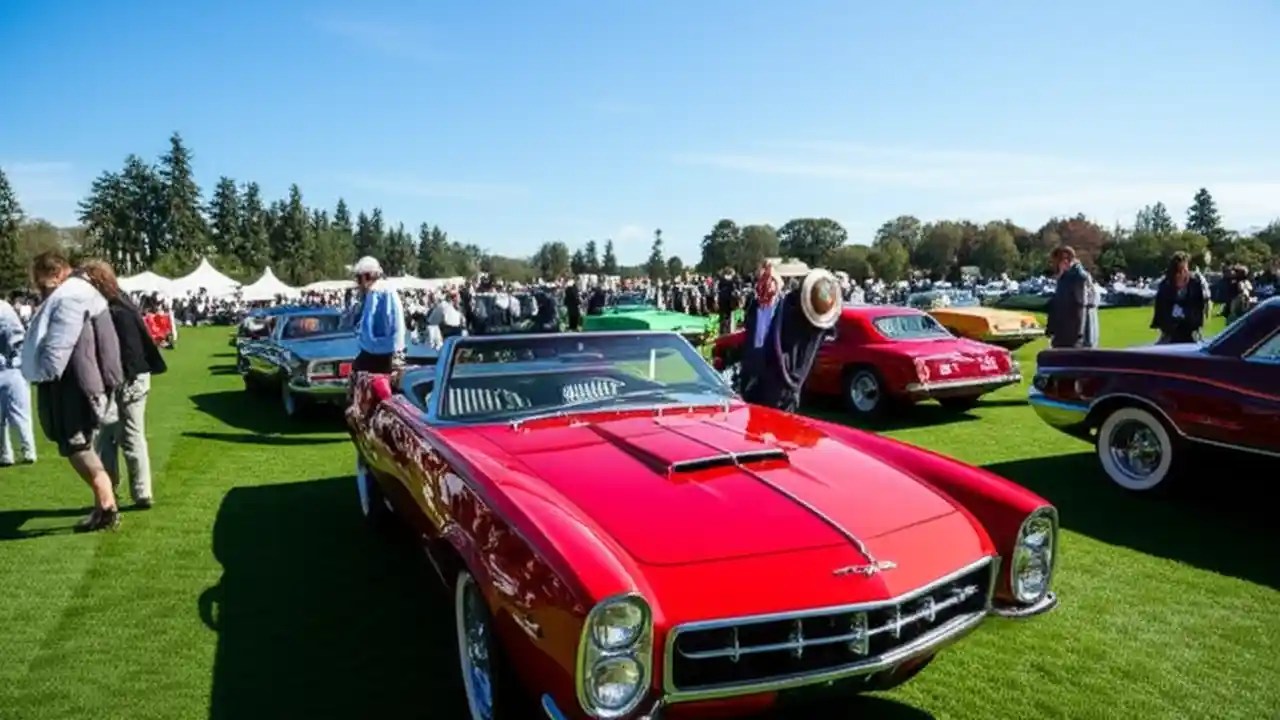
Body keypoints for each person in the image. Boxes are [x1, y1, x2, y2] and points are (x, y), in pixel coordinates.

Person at [21, 251, 123, 532]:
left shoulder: (70, 297)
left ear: (52, 274)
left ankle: (107, 505)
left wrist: (43, 373)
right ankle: (104, 505)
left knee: (76, 444)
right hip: (81, 381)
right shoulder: (80, 293)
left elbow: (59, 347)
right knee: (79, 444)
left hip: (73, 384)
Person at [81, 260, 167, 509]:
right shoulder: (121, 303)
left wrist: (121, 380)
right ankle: (136, 492)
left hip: (127, 378)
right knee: (123, 435)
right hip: (129, 377)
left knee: (117, 436)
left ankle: (124, 491)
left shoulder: (116, 310)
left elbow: (129, 349)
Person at [350, 256, 406, 373]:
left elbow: (368, 324)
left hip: (379, 351)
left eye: (359, 278)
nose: (358, 283)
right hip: (391, 349)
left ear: (367, 276)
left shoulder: (376, 291)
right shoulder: (388, 289)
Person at [0, 296, 36, 466]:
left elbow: (15, 338)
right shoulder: (6, 308)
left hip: (12, 367)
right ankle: (25, 451)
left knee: (16, 414)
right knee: (21, 413)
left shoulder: (3, 310)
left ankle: (7, 453)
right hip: (14, 367)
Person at [1046, 246, 1100, 349]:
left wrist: (1079, 336)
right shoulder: (1065, 278)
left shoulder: (1078, 278)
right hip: (1066, 334)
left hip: (1073, 337)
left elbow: (1081, 307)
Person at [1151, 251, 1209, 344]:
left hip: (1191, 332)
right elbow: (1160, 311)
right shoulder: (1165, 285)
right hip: (1170, 332)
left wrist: (1185, 313)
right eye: (1179, 271)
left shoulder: (1195, 285)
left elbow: (1200, 307)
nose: (1183, 274)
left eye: (1185, 270)